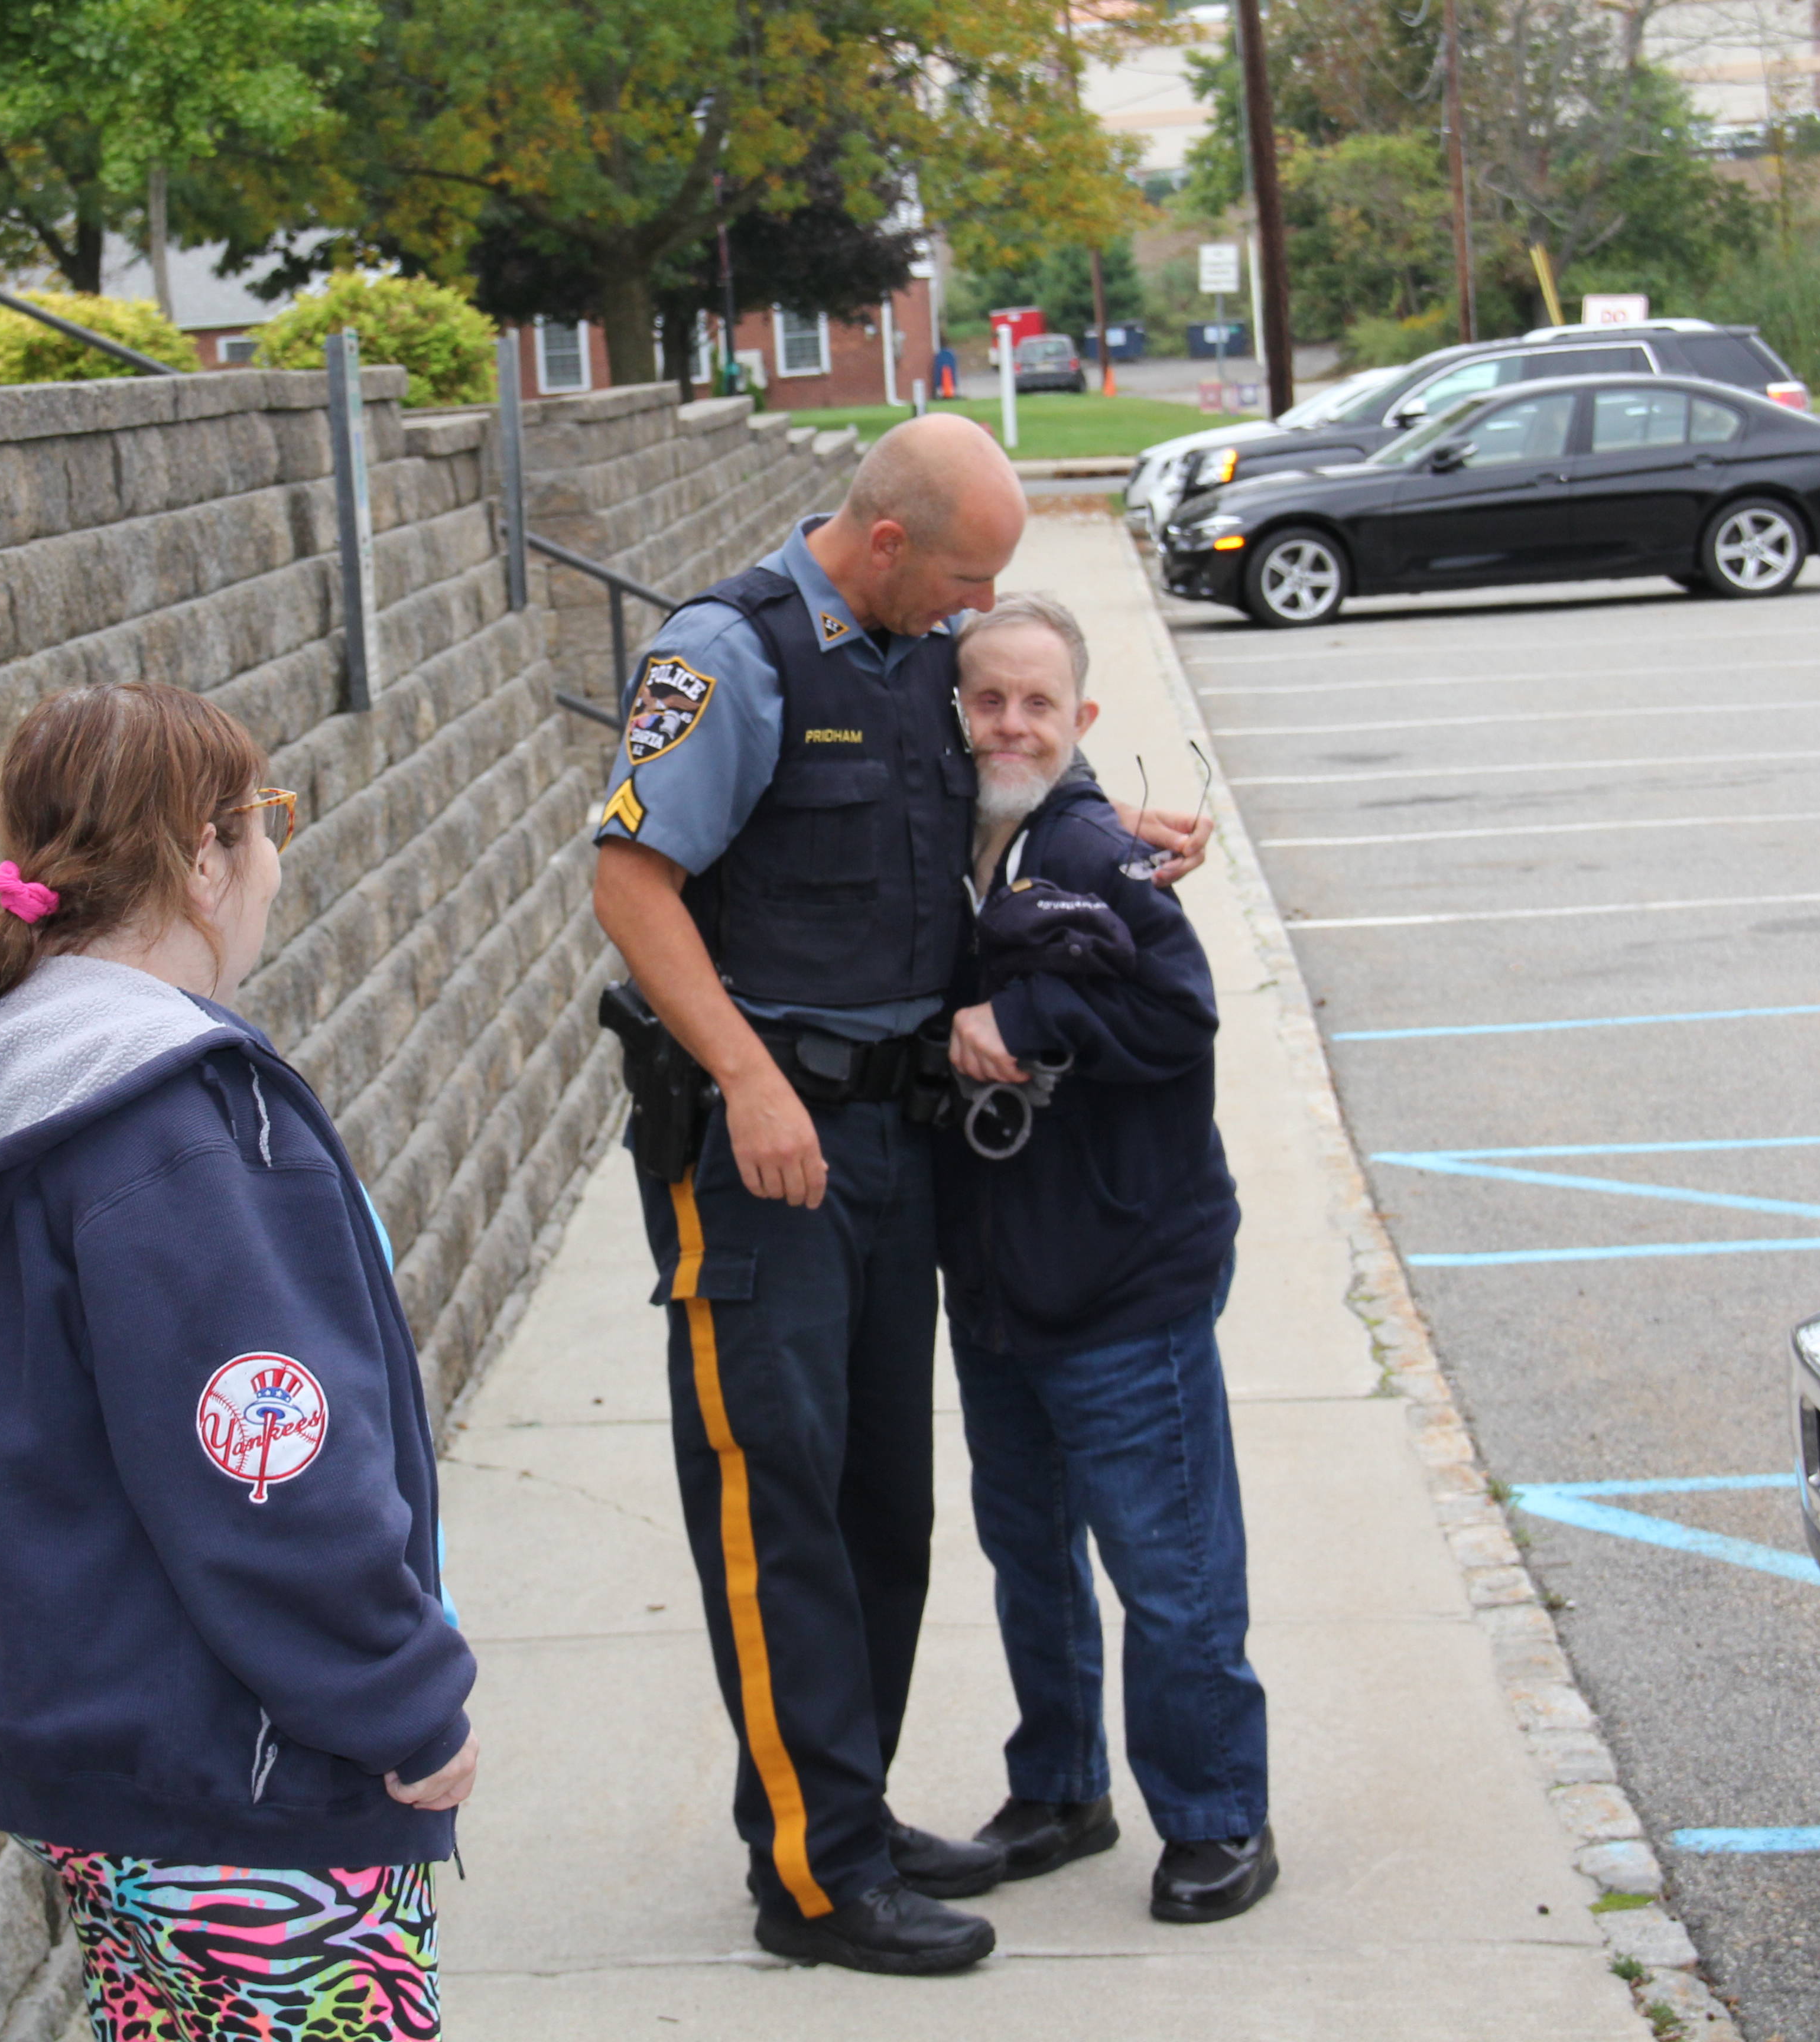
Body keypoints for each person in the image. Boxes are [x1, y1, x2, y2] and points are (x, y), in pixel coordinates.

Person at [589, 415, 1213, 1977]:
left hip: (893, 1147)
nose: (973, 605)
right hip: (762, 1155)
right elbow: (629, 880)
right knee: (778, 1500)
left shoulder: (907, 651)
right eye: (963, 573)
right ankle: (812, 1884)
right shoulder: (731, 659)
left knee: (884, 1507)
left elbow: (973, 796)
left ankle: (842, 1817)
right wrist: (745, 1079)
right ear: (884, 546)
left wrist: (1105, 829)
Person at [0, 682, 478, 2040]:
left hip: (126, 1770)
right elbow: (267, 1462)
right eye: (267, 823)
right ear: (203, 858)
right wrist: (408, 1706)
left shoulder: (20, 1072)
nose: (275, 860)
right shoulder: (173, 1127)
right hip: (253, 1783)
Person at [935, 593, 1276, 1926]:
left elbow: (1179, 1011)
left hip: (1125, 1279)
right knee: (1030, 1550)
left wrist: (1022, 1013)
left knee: (1170, 1570)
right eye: (986, 700)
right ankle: (1062, 1788)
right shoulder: (957, 841)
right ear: (951, 713)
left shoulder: (1081, 842)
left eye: (1037, 704)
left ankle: (1218, 1821)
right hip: (1003, 1283)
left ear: (1080, 724)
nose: (1009, 723)